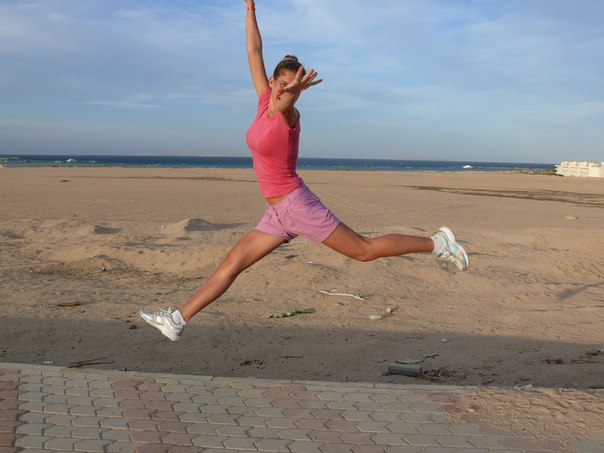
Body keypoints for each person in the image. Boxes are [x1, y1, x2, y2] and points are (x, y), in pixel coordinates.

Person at [139, 0, 469, 342]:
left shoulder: (289, 116)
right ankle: (177, 319)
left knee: (364, 250)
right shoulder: (263, 101)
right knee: (232, 264)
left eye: (293, 86)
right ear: (272, 82)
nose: (285, 90)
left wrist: (293, 94)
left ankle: (438, 243)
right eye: (281, 84)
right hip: (276, 214)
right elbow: (254, 50)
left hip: (296, 205)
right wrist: (250, 9)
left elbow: (286, 103)